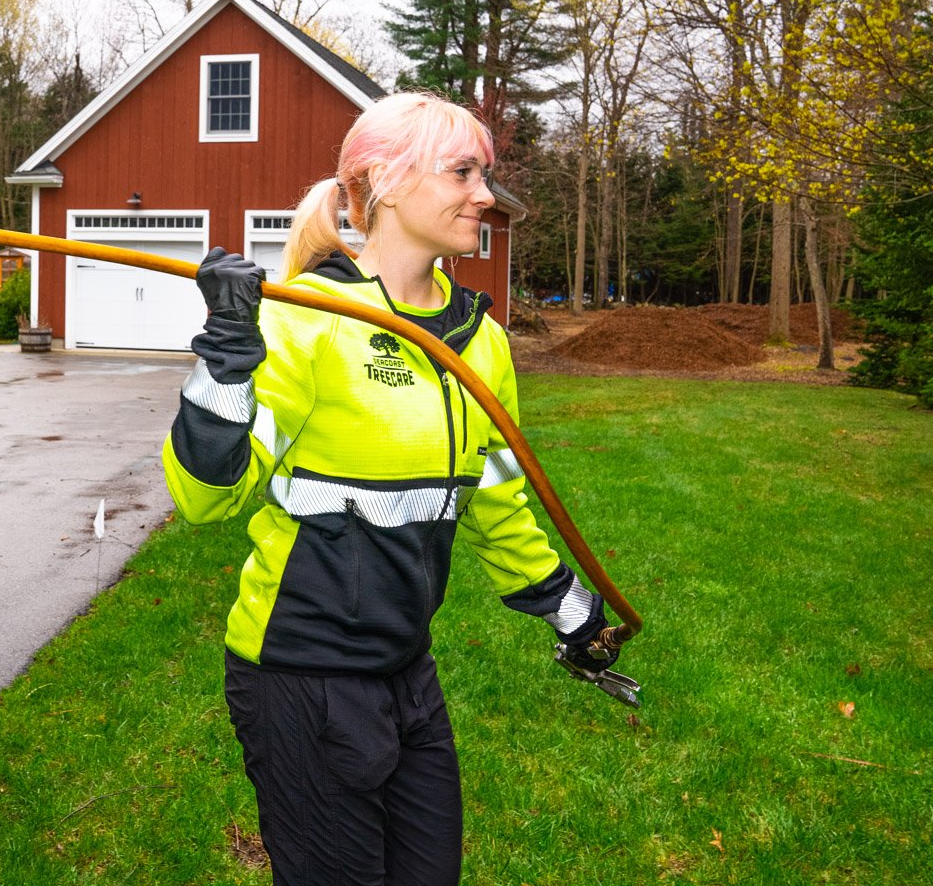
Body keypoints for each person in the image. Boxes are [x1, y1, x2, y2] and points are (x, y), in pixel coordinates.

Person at [160, 92, 624, 886]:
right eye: (463, 172)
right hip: (302, 673)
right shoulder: (308, 320)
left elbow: (495, 496)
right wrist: (227, 364)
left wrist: (567, 608)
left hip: (407, 669)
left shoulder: (482, 341)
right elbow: (208, 497)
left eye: (486, 173)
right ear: (387, 181)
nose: (486, 193)